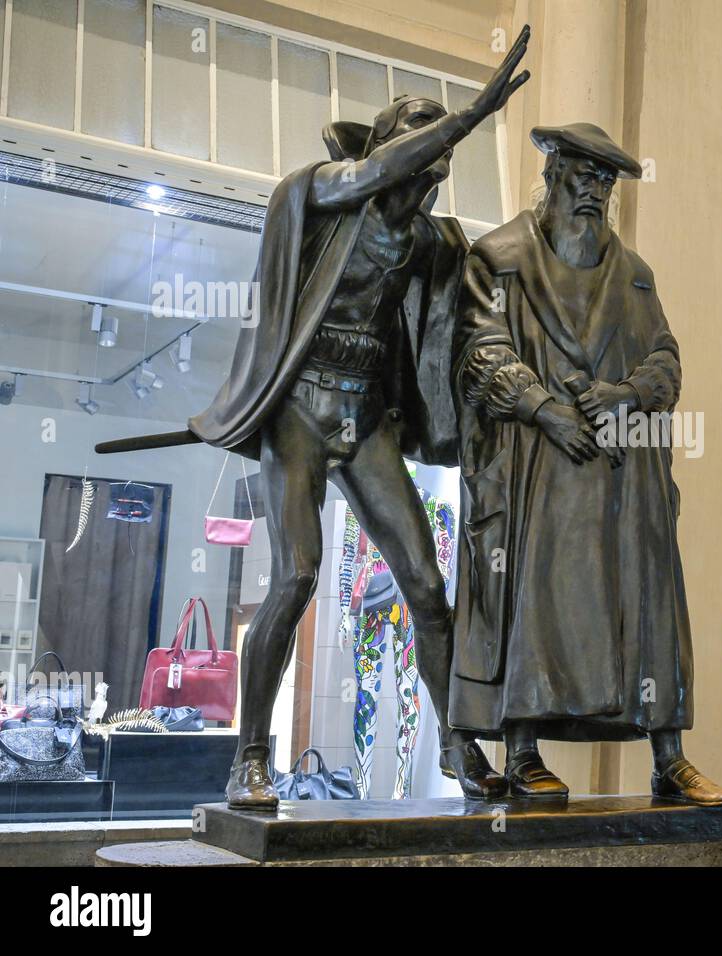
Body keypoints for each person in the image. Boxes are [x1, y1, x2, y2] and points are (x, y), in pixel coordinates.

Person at [99, 28, 533, 808]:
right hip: (299, 409)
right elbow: (375, 170)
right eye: (423, 146)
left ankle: (463, 749)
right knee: (296, 575)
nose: (432, 169)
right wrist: (473, 112)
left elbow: (483, 302)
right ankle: (250, 757)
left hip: (365, 418)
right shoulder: (324, 193)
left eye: (442, 158)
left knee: (427, 590)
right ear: (399, 144)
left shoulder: (436, 242)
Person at [448, 121, 722, 806]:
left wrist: (626, 394)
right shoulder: (500, 257)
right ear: (552, 175)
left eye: (606, 182)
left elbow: (667, 358)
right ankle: (522, 752)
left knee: (650, 604)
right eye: (585, 177)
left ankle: (669, 756)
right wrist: (545, 408)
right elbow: (478, 351)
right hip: (538, 468)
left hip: (625, 475)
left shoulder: (634, 277)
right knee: (533, 593)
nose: (596, 193)